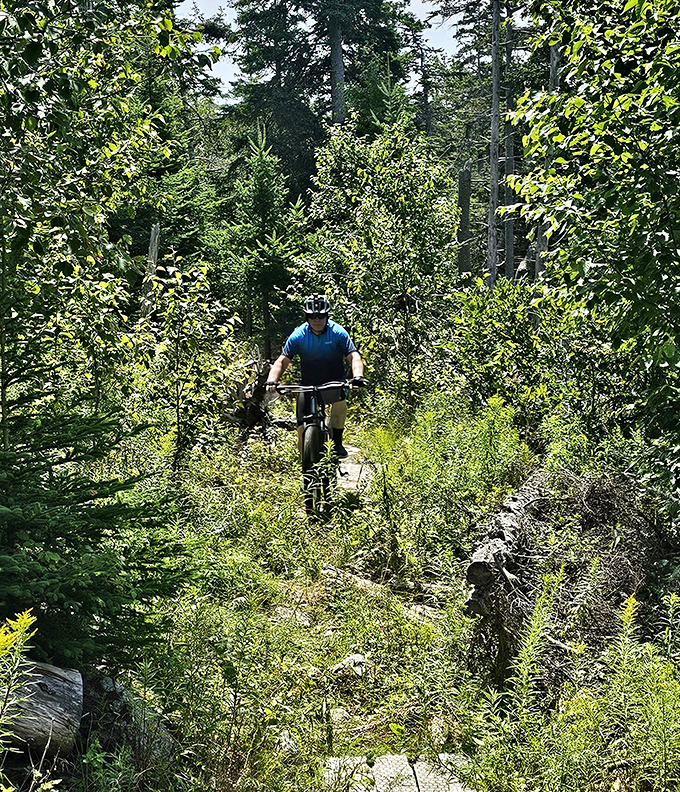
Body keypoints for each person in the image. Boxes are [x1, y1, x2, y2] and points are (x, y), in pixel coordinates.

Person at [266, 294, 365, 458]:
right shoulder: (299, 335)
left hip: (334, 381)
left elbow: (353, 356)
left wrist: (358, 376)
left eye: (321, 316)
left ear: (327, 316)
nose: (317, 320)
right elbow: (282, 361)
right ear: (307, 317)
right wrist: (272, 380)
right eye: (312, 316)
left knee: (340, 405)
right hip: (308, 384)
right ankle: (305, 466)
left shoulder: (338, 333)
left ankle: (337, 442)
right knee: (300, 428)